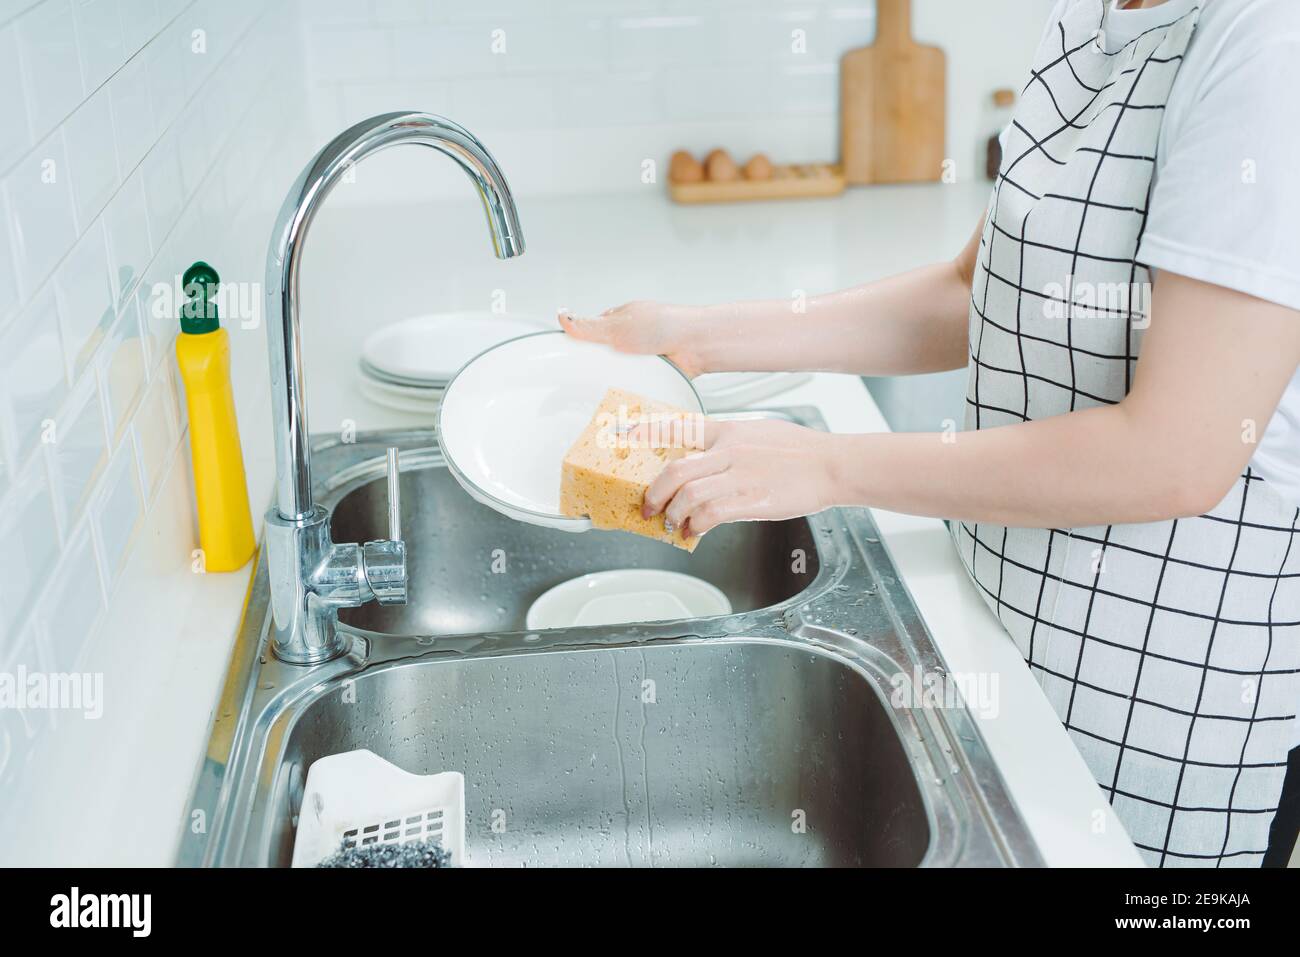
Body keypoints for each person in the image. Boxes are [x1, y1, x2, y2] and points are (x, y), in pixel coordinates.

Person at [561, 0, 1300, 867]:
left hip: (1160, 712)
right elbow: (975, 290)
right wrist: (699, 334)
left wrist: (830, 463)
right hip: (1006, 650)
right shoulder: (1091, 13)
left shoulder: (1265, 47)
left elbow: (1176, 454)